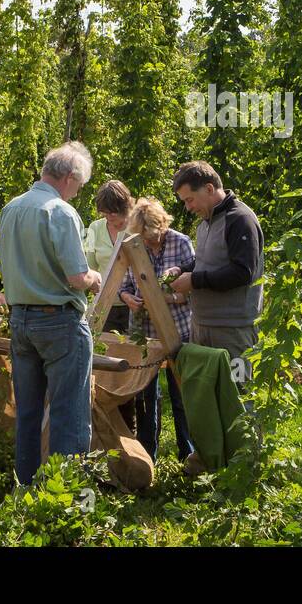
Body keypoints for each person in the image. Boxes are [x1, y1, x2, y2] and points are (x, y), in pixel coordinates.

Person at [0, 141, 101, 486]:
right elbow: (76, 277)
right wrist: (94, 277)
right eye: (79, 187)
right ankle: (64, 501)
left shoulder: (11, 208)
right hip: (58, 322)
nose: (77, 195)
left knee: (26, 414)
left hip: (20, 320)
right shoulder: (60, 211)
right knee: (68, 415)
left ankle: (23, 490)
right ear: (70, 177)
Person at [168, 161, 264, 374]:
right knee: (206, 396)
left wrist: (193, 280)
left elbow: (242, 272)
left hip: (232, 331)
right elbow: (206, 262)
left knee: (237, 396)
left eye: (190, 199)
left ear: (209, 188)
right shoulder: (205, 223)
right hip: (202, 326)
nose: (188, 207)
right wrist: (183, 270)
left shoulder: (240, 219)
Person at [118, 197, 195, 462]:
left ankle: (189, 454)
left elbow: (194, 291)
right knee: (146, 397)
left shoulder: (181, 243)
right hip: (145, 333)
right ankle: (146, 455)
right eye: (144, 239)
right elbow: (125, 285)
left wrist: (163, 298)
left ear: (161, 225)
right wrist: (129, 298)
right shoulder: (134, 245)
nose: (149, 243)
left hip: (178, 330)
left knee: (182, 395)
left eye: (152, 238)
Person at [83, 180, 132, 333]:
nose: (108, 216)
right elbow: (89, 266)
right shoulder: (94, 228)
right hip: (105, 305)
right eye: (104, 212)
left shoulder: (137, 226)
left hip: (135, 305)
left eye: (112, 212)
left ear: (125, 207)